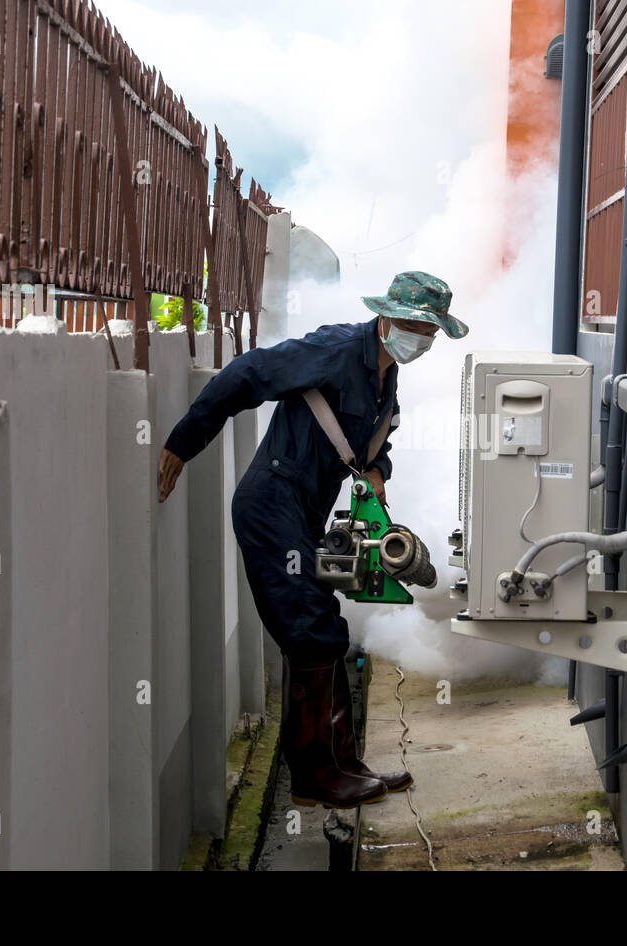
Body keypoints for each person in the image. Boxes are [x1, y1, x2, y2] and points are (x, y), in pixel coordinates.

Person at [157, 271, 468, 809]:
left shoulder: (384, 373)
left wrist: (378, 470)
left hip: (304, 512)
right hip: (272, 506)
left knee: (326, 628)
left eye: (430, 329)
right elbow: (247, 373)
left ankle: (344, 763)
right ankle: (314, 778)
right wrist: (182, 444)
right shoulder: (336, 348)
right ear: (388, 316)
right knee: (309, 633)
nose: (421, 336)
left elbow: (376, 434)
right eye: (415, 324)